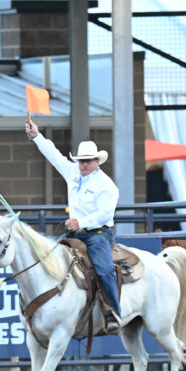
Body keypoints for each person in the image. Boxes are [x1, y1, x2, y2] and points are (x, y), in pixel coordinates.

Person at [25, 117, 122, 334]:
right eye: (81, 161)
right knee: (50, 260)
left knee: (105, 270)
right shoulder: (73, 172)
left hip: (98, 235)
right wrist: (36, 136)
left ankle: (113, 311)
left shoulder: (107, 186)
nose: (84, 164)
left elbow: (105, 213)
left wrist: (81, 222)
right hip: (76, 234)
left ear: (97, 161)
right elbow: (54, 156)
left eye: (88, 161)